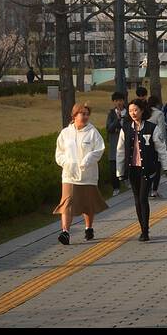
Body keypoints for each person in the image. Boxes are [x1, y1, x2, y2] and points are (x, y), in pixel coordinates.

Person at [54, 103, 108, 245]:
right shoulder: (66, 133)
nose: (84, 117)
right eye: (81, 114)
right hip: (69, 175)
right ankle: (65, 232)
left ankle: (88, 228)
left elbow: (99, 150)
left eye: (86, 114)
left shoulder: (92, 132)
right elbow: (59, 153)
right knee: (67, 203)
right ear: (74, 115)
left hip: (87, 175)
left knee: (87, 204)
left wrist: (87, 160)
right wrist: (66, 163)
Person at [116, 98, 164, 240]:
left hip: (147, 169)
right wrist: (120, 172)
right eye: (130, 110)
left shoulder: (151, 127)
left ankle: (145, 230)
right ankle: (142, 227)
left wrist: (166, 167)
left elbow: (161, 148)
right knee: (137, 199)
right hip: (132, 169)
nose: (133, 113)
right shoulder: (125, 128)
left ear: (142, 111)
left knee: (143, 198)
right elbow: (120, 151)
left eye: (136, 110)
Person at [104, 91, 126, 193]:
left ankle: (126, 181)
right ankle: (116, 187)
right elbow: (109, 128)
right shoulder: (111, 113)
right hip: (114, 144)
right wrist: (117, 120)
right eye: (116, 101)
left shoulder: (128, 112)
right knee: (113, 167)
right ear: (113, 102)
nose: (119, 103)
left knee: (126, 163)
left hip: (125, 143)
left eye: (120, 100)